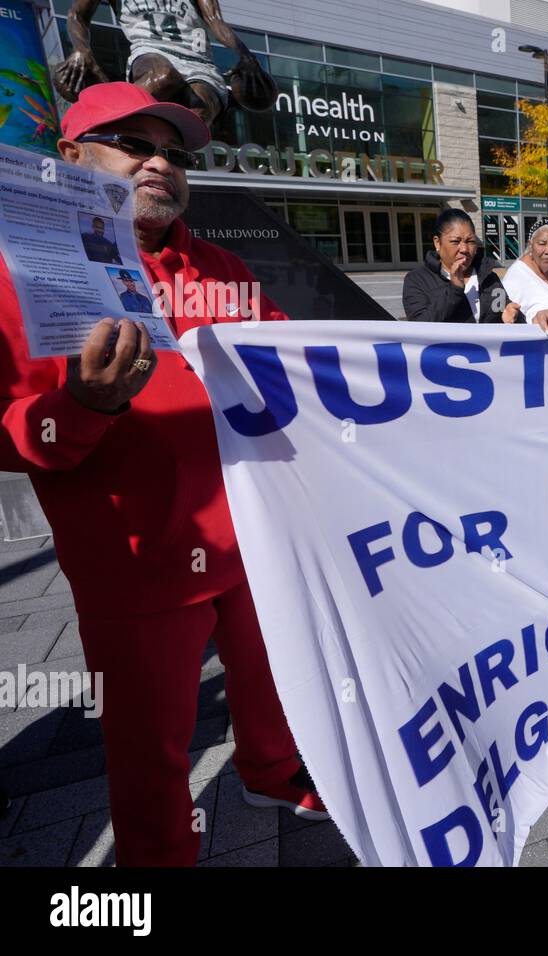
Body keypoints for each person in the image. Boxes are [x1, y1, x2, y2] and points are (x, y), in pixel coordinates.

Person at [0, 83, 325, 866]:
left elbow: (299, 363)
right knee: (150, 746)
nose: (160, 161)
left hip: (251, 533)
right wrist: (82, 404)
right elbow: (14, 435)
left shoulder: (218, 265)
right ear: (69, 157)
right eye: (134, 143)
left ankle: (272, 775)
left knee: (269, 678)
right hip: (136, 567)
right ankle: (159, 857)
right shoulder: (21, 271)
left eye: (176, 153)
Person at [56, 0, 276, 125]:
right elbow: (77, 16)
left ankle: (167, 159)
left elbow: (215, 20)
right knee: (163, 77)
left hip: (198, 60)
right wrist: (81, 50)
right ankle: (104, 120)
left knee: (199, 115)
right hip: (151, 50)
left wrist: (246, 55)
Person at [403, 208, 520, 323]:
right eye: (455, 241)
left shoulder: (488, 276)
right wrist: (455, 289)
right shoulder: (417, 280)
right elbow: (419, 326)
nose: (464, 249)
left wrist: (510, 315)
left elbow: (502, 311)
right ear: (437, 242)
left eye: (470, 241)